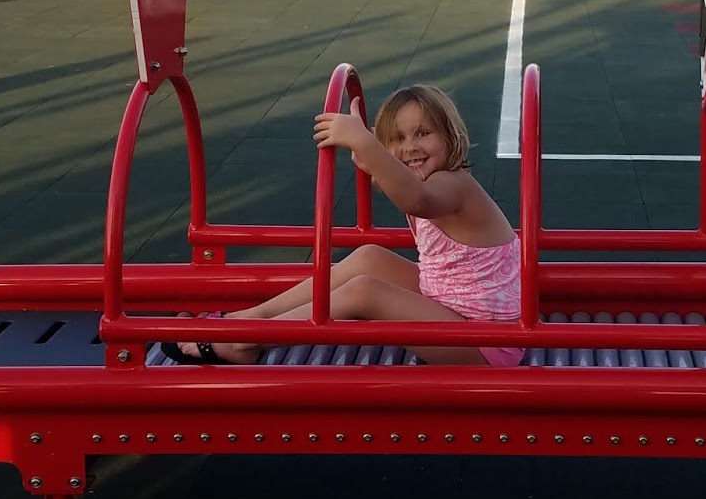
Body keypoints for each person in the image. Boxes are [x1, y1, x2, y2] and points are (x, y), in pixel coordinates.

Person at [163, 83, 525, 366]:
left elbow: (415, 199)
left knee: (365, 291)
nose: (410, 147)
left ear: (450, 135)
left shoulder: (452, 185)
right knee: (369, 257)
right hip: (453, 305)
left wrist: (365, 142)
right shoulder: (431, 181)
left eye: (423, 133)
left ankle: (244, 341)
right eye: (397, 140)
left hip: (487, 342)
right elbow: (400, 182)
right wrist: (371, 154)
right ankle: (247, 318)